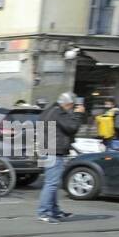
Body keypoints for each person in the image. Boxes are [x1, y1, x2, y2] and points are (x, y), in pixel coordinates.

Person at [36, 91, 83, 223]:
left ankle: (54, 211)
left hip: (46, 149)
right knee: (51, 184)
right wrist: (78, 114)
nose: (72, 109)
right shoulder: (59, 112)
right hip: (53, 151)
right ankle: (44, 212)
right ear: (68, 104)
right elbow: (71, 127)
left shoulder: (49, 110)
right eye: (72, 106)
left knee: (52, 183)